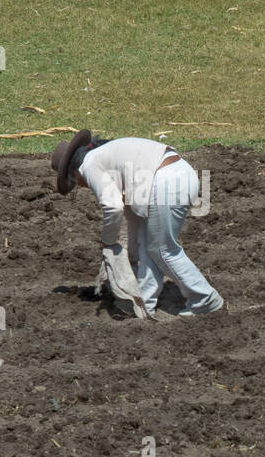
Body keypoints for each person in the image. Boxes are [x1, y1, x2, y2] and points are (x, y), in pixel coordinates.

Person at [50, 130, 223, 318]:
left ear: (74, 174)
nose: (83, 186)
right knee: (151, 246)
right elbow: (136, 227)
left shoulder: (89, 164)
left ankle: (206, 299)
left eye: (77, 183)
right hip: (181, 175)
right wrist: (130, 258)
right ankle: (144, 304)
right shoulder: (113, 162)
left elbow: (112, 206)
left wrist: (108, 243)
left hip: (166, 182)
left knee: (163, 250)